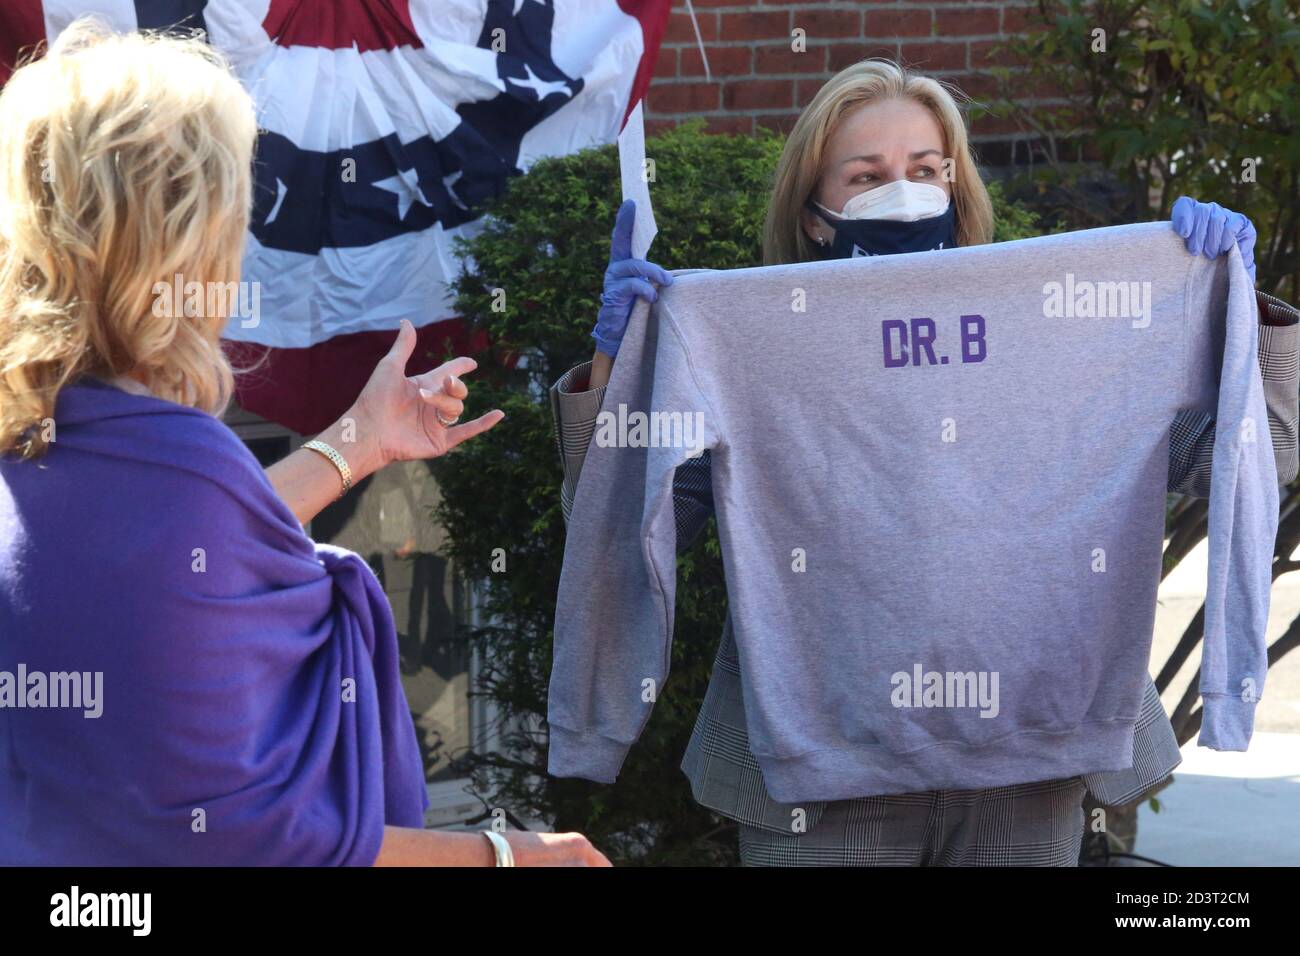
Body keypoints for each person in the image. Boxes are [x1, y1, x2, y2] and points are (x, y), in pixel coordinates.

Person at [549, 58, 1300, 866]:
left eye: (924, 169)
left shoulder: (1057, 324)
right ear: (813, 212)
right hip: (817, 770)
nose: (900, 190)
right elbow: (629, 522)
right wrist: (613, 365)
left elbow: (1261, 455)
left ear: (957, 184)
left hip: (1028, 760)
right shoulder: (756, 335)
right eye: (866, 175)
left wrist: (1231, 298)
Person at [0, 18, 608, 867]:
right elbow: (251, 838)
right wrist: (511, 856)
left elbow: (173, 557)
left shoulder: (40, 437)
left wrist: (358, 442)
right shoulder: (177, 472)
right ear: (184, 243)